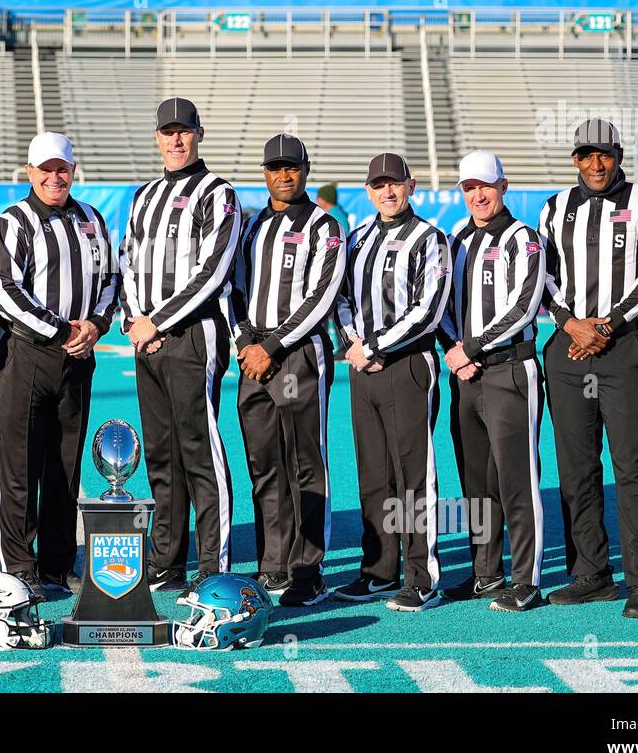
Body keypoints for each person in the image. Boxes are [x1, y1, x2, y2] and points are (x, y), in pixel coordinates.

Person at [538, 118, 638, 620]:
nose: (596, 164)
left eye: (605, 155)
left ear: (618, 155)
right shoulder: (555, 208)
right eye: (586, 155)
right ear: (575, 159)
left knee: (632, 469)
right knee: (575, 469)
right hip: (569, 348)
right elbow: (543, 274)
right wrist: (572, 324)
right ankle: (591, 574)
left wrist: (607, 325)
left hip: (621, 347)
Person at [118, 97, 242, 598]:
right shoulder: (145, 194)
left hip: (194, 335)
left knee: (200, 450)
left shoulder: (219, 193)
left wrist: (157, 320)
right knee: (162, 456)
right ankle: (167, 558)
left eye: (184, 132)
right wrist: (132, 318)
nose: (175, 140)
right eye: (167, 132)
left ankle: (214, 562)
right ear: (156, 137)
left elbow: (213, 270)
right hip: (147, 340)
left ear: (199, 134)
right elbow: (127, 258)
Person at [0, 132, 118, 602]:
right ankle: (21, 566)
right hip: (27, 354)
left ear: (73, 170)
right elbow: (5, 290)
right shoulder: (15, 221)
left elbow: (111, 279)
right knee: (20, 465)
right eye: (45, 169)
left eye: (62, 168)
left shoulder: (91, 218)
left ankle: (60, 561)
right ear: (29, 173)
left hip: (78, 355)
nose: (54, 177)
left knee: (65, 466)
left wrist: (96, 325)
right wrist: (61, 330)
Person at [334, 152, 452, 612]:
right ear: (367, 192)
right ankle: (380, 570)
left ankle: (422, 575)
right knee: (373, 475)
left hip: (406, 365)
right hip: (363, 365)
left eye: (395, 184)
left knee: (413, 476)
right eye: (378, 185)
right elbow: (341, 297)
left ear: (411, 185)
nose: (388, 192)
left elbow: (429, 308)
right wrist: (354, 343)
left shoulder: (430, 238)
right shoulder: (358, 239)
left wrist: (376, 346)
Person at [232, 135, 345, 607]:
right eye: (276, 167)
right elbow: (232, 286)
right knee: (263, 464)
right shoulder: (251, 225)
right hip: (252, 355)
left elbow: (322, 297)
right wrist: (244, 342)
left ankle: (307, 569)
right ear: (264, 172)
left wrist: (271, 346)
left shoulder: (326, 226)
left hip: (298, 354)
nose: (284, 175)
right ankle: (272, 563)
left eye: (292, 167)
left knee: (305, 462)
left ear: (306, 169)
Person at [438, 151, 547, 612]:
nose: (477, 195)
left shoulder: (524, 238)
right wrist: (453, 349)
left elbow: (525, 304)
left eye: (485, 185)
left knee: (516, 478)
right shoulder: (454, 238)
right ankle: (486, 573)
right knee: (475, 483)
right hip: (466, 374)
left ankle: (527, 578)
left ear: (503, 186)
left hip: (508, 370)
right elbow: (439, 301)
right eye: (469, 187)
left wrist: (473, 347)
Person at [316, 182, 351, 358]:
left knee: (330, 310)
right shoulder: (339, 214)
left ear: (324, 199)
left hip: (331, 272)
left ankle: (342, 346)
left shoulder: (331, 218)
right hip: (337, 271)